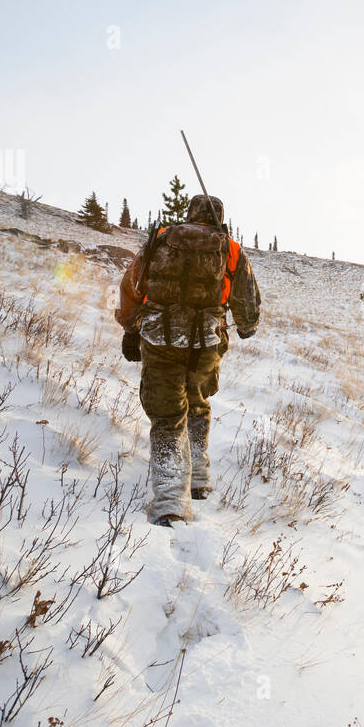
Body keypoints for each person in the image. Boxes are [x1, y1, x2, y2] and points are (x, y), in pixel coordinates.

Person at [115, 194, 260, 526]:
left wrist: (130, 329)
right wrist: (247, 326)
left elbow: (132, 285)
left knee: (167, 415)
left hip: (160, 338)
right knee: (196, 400)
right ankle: (198, 479)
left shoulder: (161, 239)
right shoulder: (231, 249)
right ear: (219, 216)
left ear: (190, 214)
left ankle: (170, 503)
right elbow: (247, 298)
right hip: (206, 342)